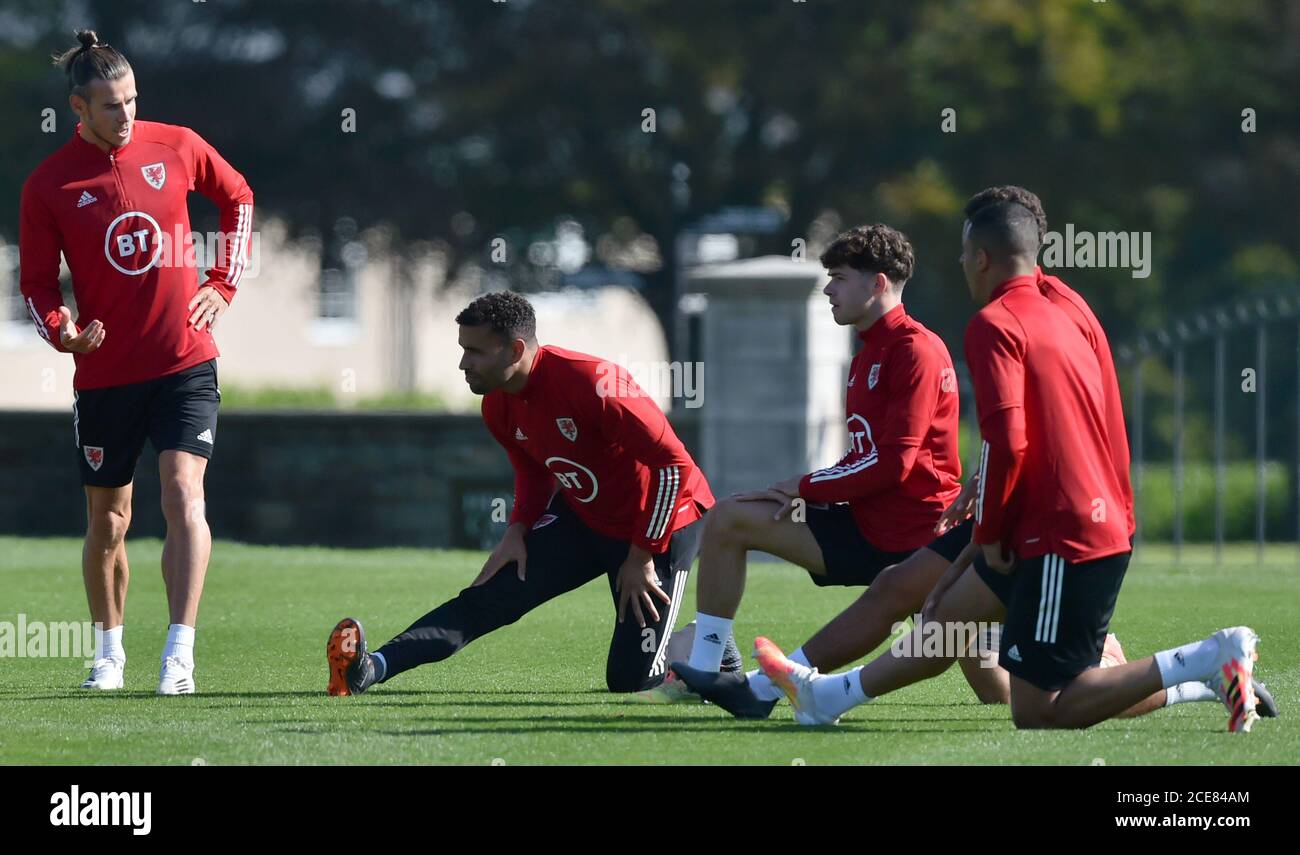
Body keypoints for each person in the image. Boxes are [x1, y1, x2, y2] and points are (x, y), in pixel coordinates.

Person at [757, 194, 1266, 732]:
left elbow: (1009, 438)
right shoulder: (1069, 306)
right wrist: (991, 504)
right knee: (944, 621)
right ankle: (825, 697)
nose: (958, 264)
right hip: (1066, 512)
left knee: (1041, 708)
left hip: (1056, 529)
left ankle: (1206, 661)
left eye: (962, 252)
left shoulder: (993, 324)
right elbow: (1082, 418)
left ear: (980, 257)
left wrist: (990, 534)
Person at [646, 223, 996, 712]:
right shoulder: (865, 351)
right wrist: (802, 490)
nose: (828, 289)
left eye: (839, 277)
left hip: (923, 541)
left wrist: (805, 486)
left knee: (996, 689)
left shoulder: (916, 349)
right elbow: (862, 458)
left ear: (877, 284)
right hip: (864, 530)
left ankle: (1102, 666)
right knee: (730, 517)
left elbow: (894, 463)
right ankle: (709, 670)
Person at [325, 291, 736, 695]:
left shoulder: (595, 383)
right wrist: (518, 528)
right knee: (490, 596)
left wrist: (642, 552)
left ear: (515, 349)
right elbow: (533, 470)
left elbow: (674, 464)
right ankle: (371, 668)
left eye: (475, 352)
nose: (463, 364)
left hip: (662, 521)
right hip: (586, 517)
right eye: (463, 350)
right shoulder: (498, 405)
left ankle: (709, 648)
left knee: (630, 682)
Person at [19, 29, 254, 695]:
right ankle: (109, 655)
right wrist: (64, 331)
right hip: (105, 377)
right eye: (111, 106)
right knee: (110, 522)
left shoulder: (176, 143)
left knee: (183, 492)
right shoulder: (48, 185)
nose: (126, 115)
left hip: (185, 362)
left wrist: (222, 283)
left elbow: (238, 196)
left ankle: (179, 654)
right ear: (77, 110)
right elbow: (36, 284)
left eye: (131, 101)